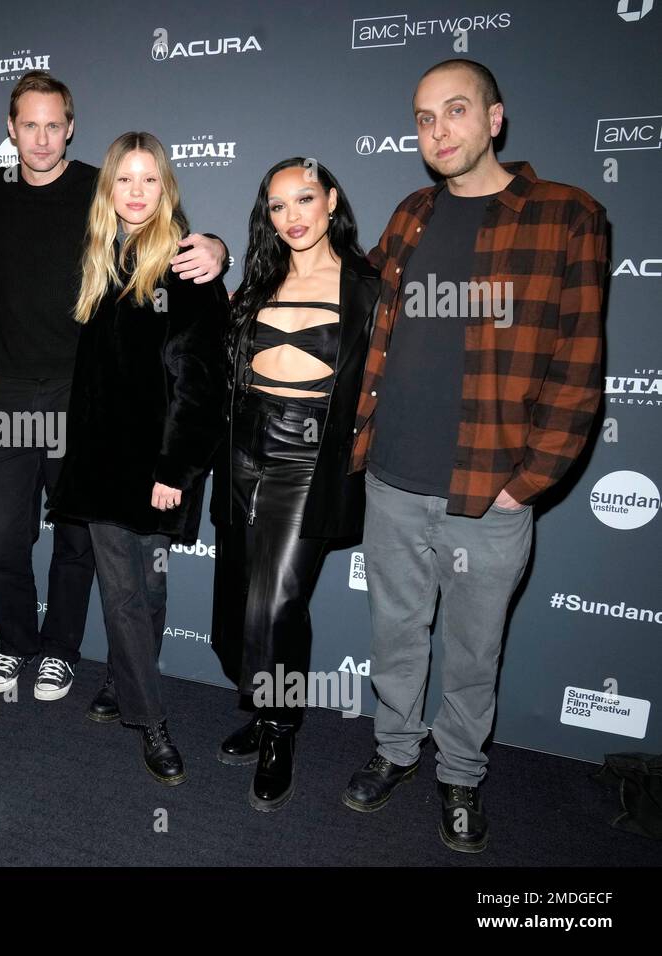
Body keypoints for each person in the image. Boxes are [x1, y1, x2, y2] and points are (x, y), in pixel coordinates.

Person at [0, 72, 227, 705]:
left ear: (70, 127)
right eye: (28, 125)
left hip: (78, 394)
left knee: (77, 537)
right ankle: (14, 642)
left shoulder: (102, 187)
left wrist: (218, 249)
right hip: (8, 391)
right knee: (4, 535)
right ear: (11, 130)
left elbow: (169, 241)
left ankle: (60, 650)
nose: (40, 138)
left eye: (52, 124)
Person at [343, 59, 607, 853]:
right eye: (424, 118)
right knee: (395, 634)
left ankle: (460, 774)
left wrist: (524, 485)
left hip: (489, 493)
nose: (438, 131)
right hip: (392, 480)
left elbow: (579, 365)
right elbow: (351, 295)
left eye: (455, 112)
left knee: (471, 652)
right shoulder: (413, 213)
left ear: (495, 118)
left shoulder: (567, 215)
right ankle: (395, 752)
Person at [49, 132, 227, 786]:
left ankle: (120, 680)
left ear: (165, 188)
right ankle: (150, 720)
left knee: (148, 591)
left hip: (156, 468)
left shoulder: (184, 265)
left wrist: (174, 471)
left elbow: (202, 383)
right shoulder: (100, 257)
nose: (135, 191)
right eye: (124, 179)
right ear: (109, 189)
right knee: (123, 594)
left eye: (149, 180)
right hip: (98, 463)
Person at [208, 158, 379, 811]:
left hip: (309, 459)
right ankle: (263, 705)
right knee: (241, 603)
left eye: (304, 199)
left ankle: (280, 731)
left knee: (275, 601)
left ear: (330, 198)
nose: (292, 217)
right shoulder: (260, 277)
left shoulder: (366, 284)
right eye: (277, 206)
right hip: (244, 450)